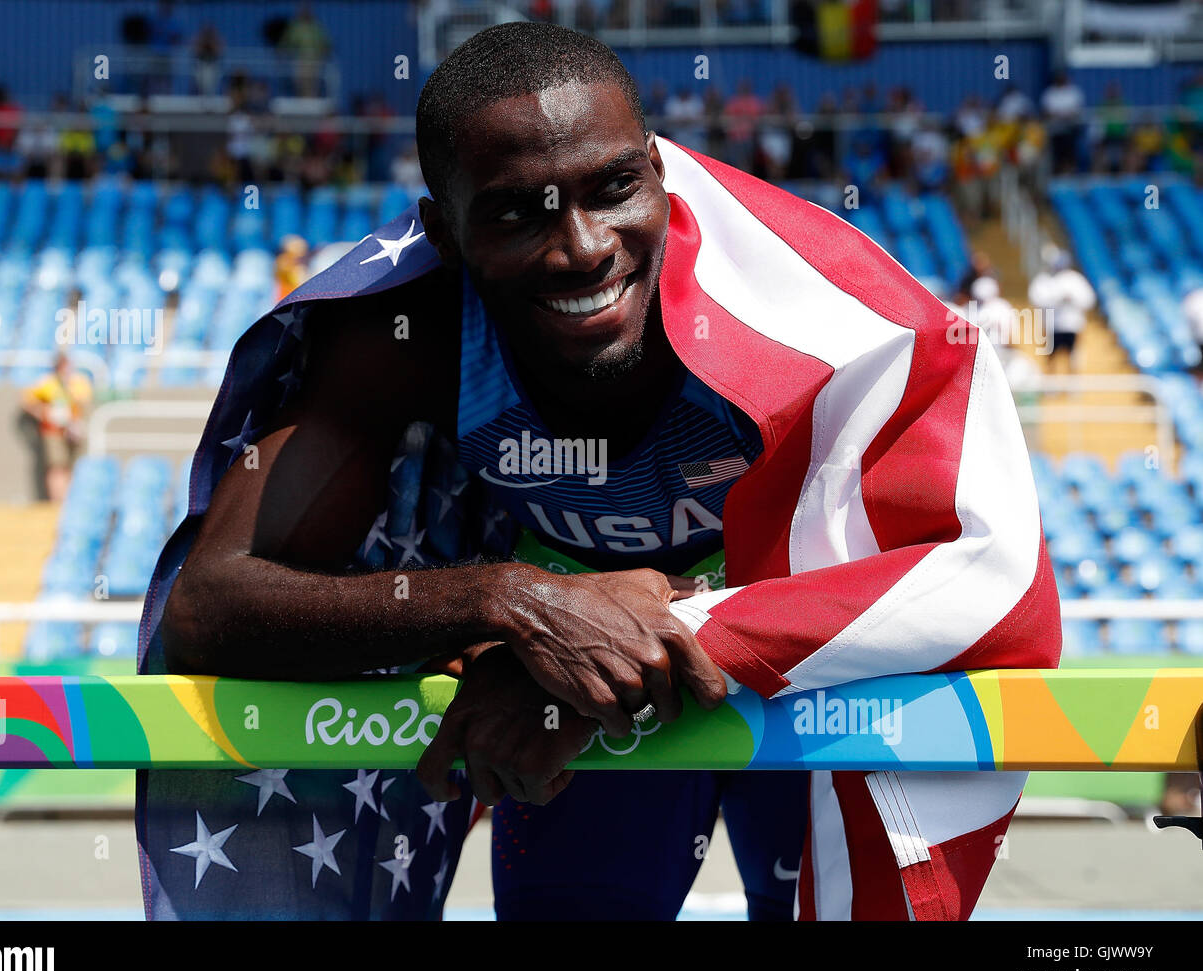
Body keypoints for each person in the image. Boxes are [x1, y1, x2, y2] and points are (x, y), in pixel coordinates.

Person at [137, 22, 1060, 922]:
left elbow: (991, 571)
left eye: (614, 187)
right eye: (514, 211)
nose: (582, 247)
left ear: (658, 169)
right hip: (564, 658)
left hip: (784, 655)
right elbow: (210, 607)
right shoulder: (405, 330)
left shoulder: (815, 313)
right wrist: (513, 601)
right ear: (444, 235)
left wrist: (625, 633)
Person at [20, 353, 91, 502]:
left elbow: (83, 400)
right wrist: (43, 413)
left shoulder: (77, 383)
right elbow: (26, 400)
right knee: (56, 467)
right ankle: (58, 501)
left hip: (71, 432)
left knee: (70, 468)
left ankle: (68, 501)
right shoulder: (47, 383)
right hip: (53, 431)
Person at [1028, 244, 1096, 374]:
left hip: (1072, 326)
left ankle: (1072, 387)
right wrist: (1056, 300)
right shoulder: (1043, 280)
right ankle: (1051, 388)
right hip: (1052, 326)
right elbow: (1036, 299)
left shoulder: (1075, 279)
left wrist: (1072, 299)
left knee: (1073, 358)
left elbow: (1088, 299)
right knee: (1050, 358)